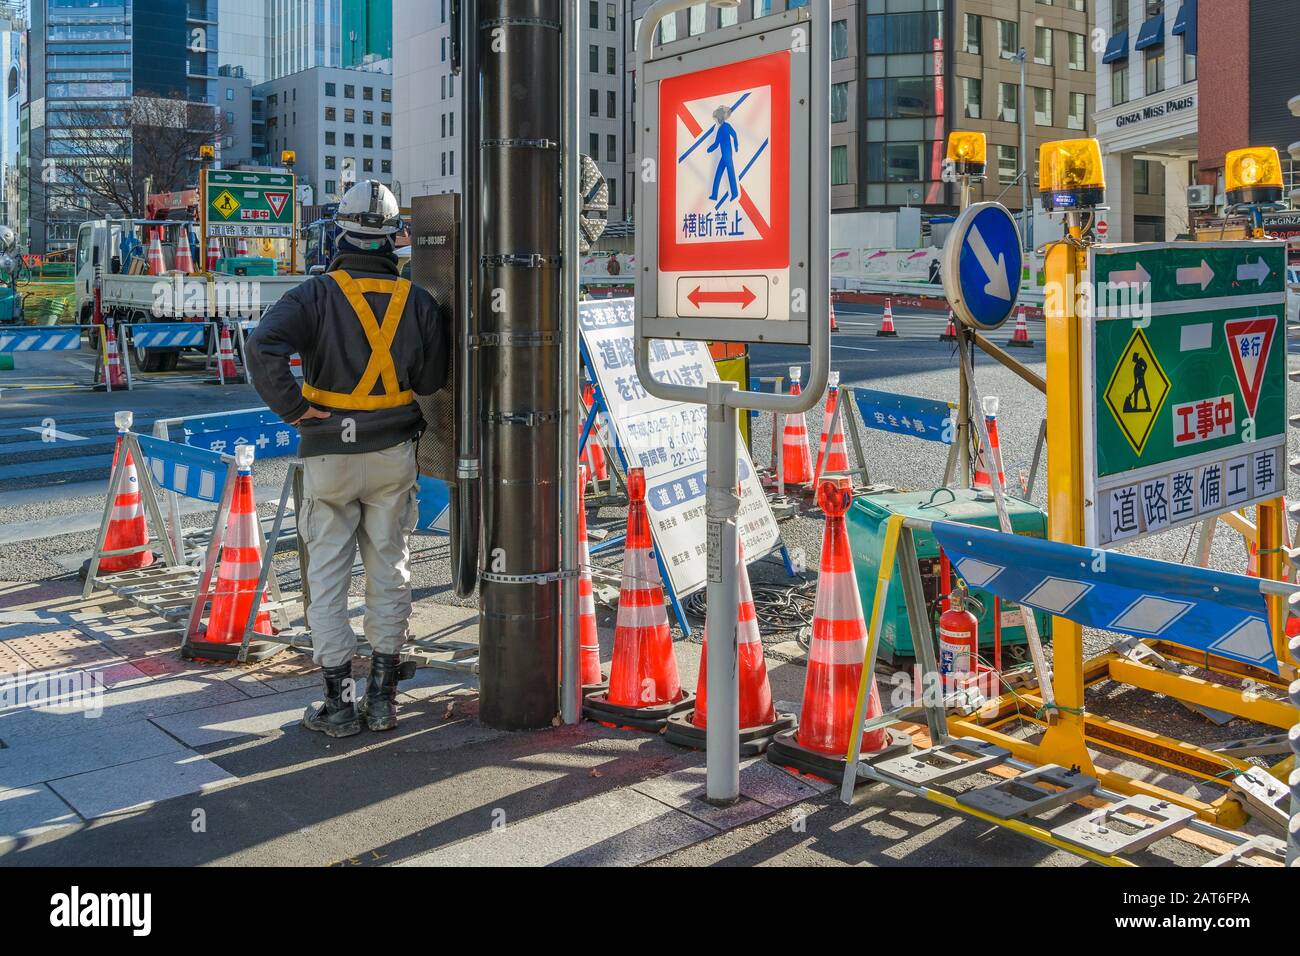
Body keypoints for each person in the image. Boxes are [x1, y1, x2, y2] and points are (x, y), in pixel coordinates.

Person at [246, 180, 449, 738]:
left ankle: (336, 703)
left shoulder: (312, 296)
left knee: (329, 573)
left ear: (341, 229)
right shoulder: (420, 301)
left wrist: (295, 409)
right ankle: (383, 699)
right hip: (392, 453)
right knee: (390, 566)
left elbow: (261, 346)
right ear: (394, 236)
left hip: (330, 453)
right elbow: (432, 379)